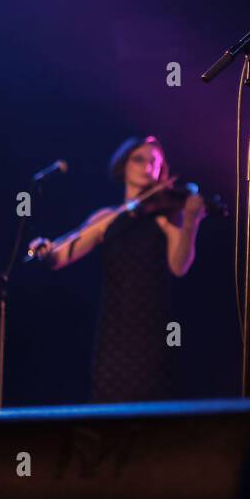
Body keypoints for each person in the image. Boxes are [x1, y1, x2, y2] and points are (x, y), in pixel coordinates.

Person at [27, 136, 205, 403]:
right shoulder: (106, 218)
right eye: (139, 159)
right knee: (109, 406)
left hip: (152, 328)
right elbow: (61, 257)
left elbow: (179, 267)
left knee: (151, 411)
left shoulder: (166, 216)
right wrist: (45, 250)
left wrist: (190, 221)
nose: (148, 166)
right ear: (124, 166)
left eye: (155, 162)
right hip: (114, 328)